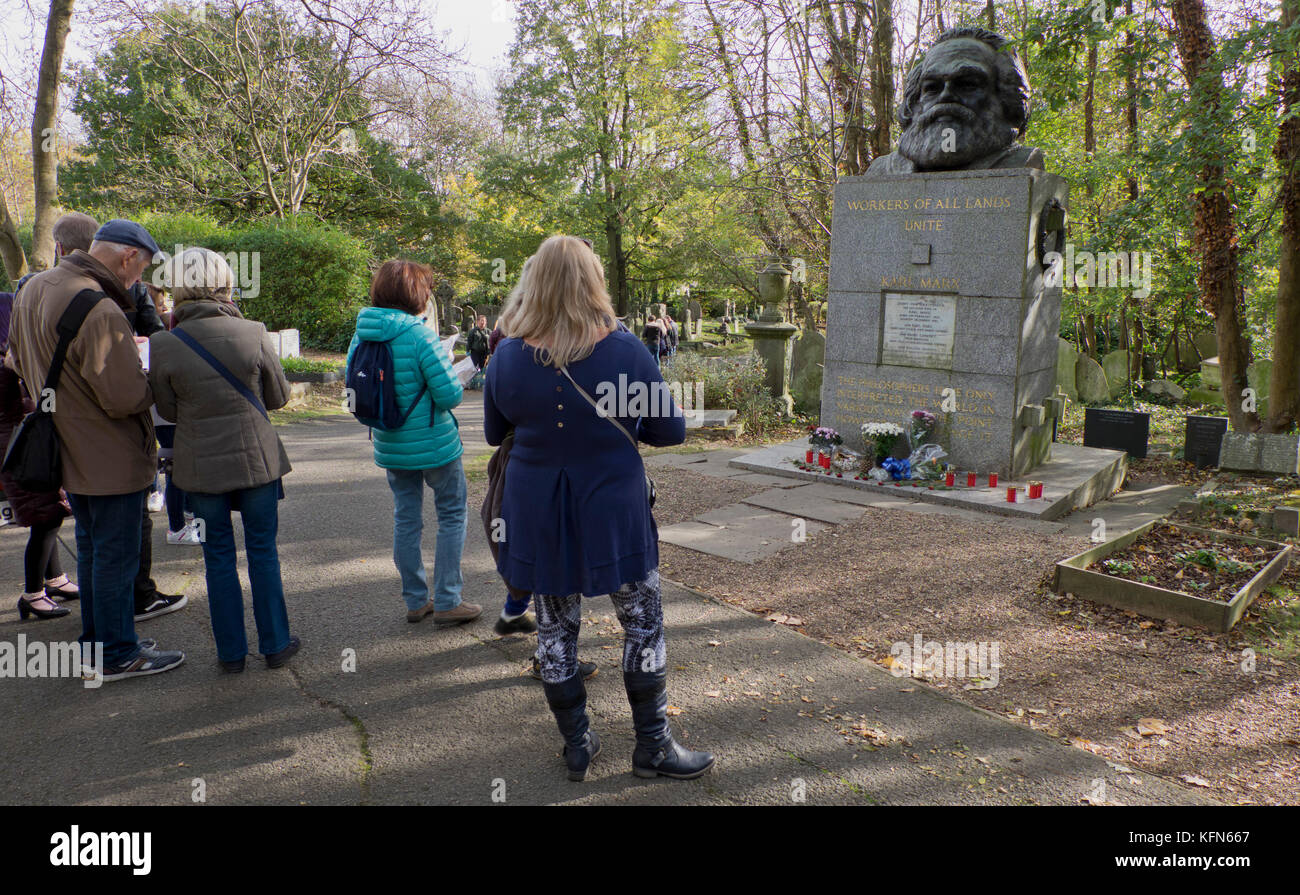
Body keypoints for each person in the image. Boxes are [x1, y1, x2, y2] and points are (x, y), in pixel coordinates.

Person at [485, 235, 714, 782]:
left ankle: (577, 745)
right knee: (643, 623)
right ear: (593, 281)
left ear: (533, 281)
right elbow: (670, 432)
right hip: (613, 505)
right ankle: (653, 747)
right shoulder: (626, 350)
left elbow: (497, 432)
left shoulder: (508, 355)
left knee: (556, 629)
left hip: (538, 505)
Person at [6, 218, 185, 681]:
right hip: (109, 453)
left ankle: (99, 642)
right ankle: (118, 653)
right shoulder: (100, 308)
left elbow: (15, 359)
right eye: (140, 270)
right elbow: (124, 397)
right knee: (115, 555)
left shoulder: (34, 287)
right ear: (128, 258)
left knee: (92, 550)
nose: (139, 280)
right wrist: (151, 376)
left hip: (64, 446)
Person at [149, 247, 298, 673]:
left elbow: (169, 410)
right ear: (225, 282)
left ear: (177, 288)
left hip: (199, 465)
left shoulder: (164, 342)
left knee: (216, 556)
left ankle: (230, 654)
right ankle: (276, 644)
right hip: (256, 461)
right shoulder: (253, 332)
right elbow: (279, 397)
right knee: (263, 552)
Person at [347, 260, 480, 627]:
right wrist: (454, 370)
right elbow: (449, 395)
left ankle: (416, 600)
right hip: (435, 444)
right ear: (415, 294)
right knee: (451, 514)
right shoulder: (420, 336)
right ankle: (449, 599)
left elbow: (353, 391)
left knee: (406, 519)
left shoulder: (361, 336)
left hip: (390, 443)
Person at [0, 291, 77, 620]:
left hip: (20, 447)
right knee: (45, 517)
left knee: (47, 513)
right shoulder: (7, 366)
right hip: (20, 451)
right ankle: (33, 594)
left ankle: (54, 579)